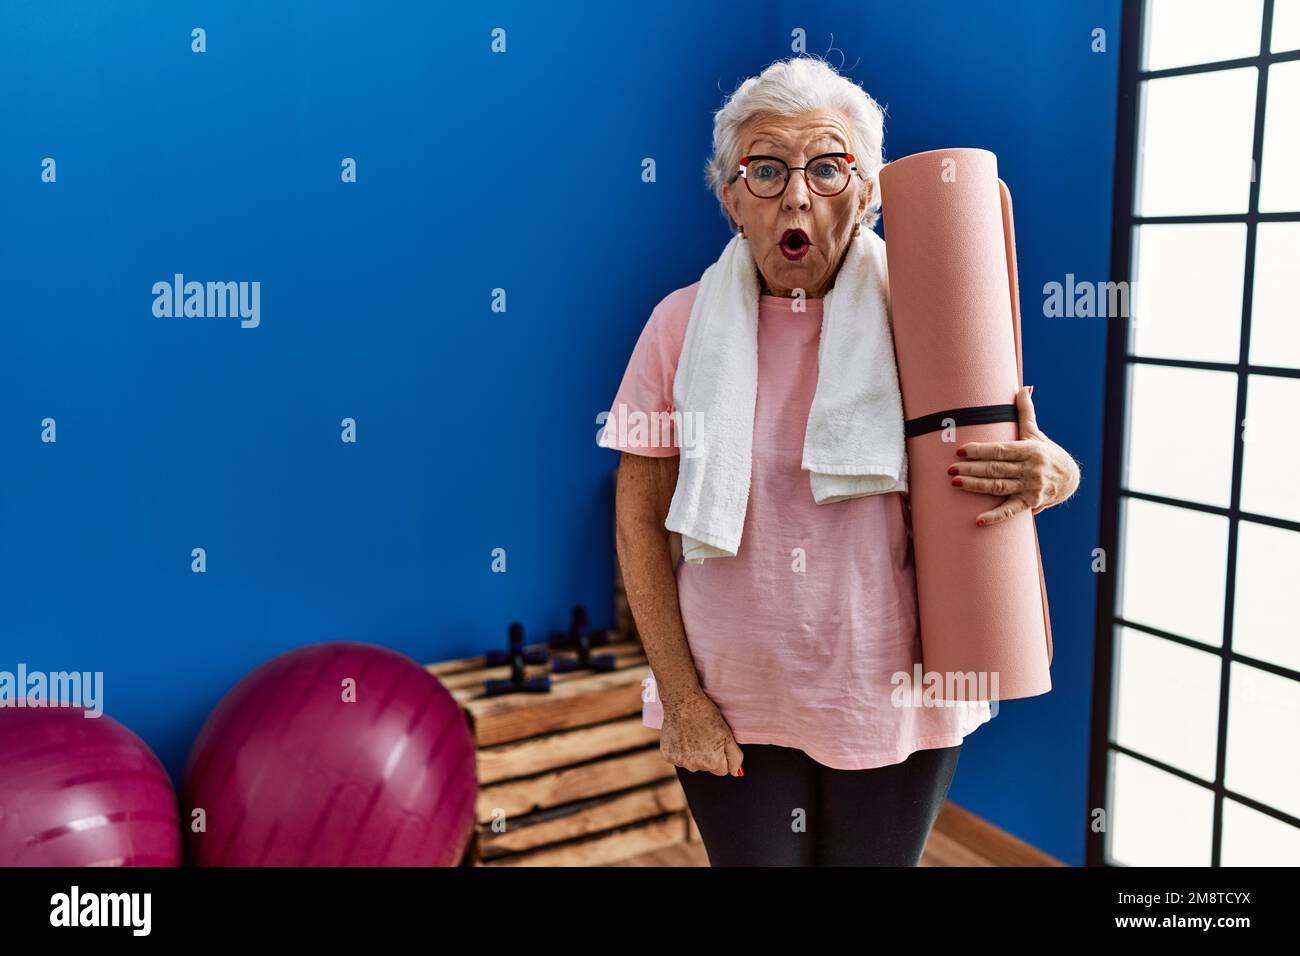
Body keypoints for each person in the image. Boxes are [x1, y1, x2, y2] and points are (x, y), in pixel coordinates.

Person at [598, 56, 1080, 866]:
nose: (795, 194)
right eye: (765, 169)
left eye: (827, 167)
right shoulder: (676, 328)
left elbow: (1012, 446)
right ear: (732, 200)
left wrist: (1054, 475)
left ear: (868, 195)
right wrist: (680, 697)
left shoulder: (929, 314)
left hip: (893, 692)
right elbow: (638, 523)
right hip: (732, 692)